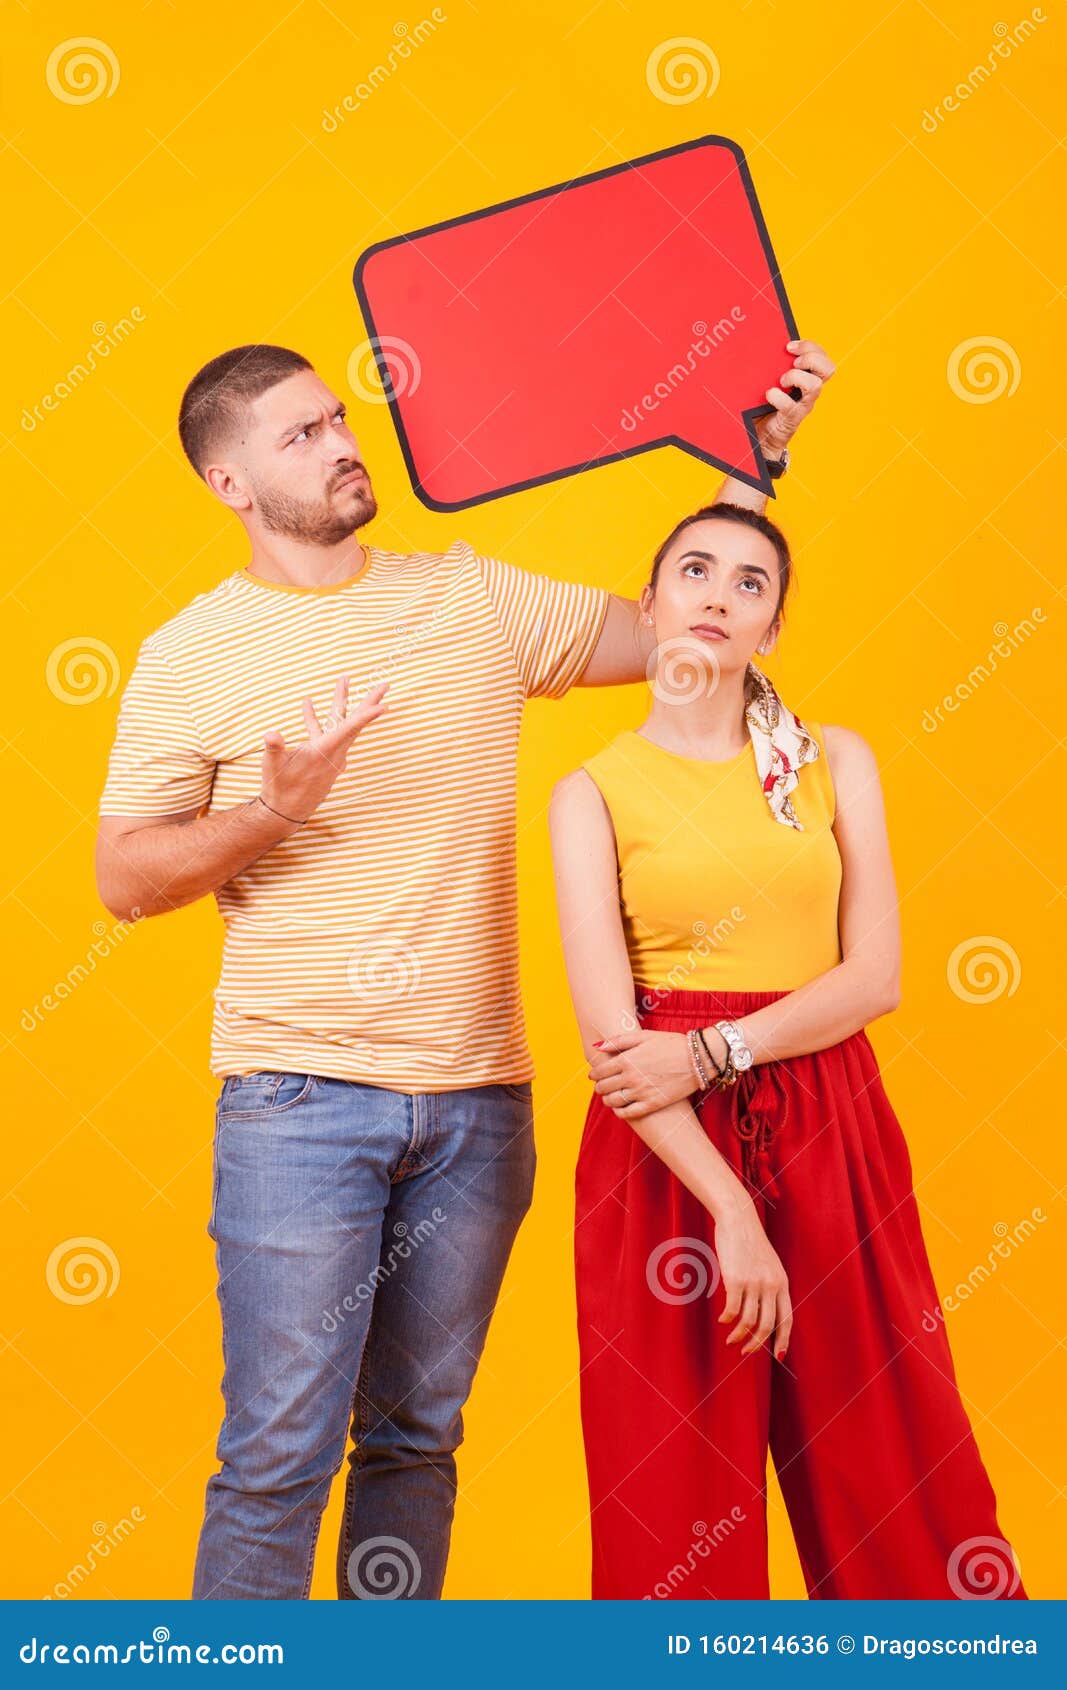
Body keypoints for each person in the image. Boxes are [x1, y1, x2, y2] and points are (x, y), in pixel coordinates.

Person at [93, 339, 833, 1599]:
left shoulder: (472, 600)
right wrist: (272, 810)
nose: (341, 443)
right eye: (299, 435)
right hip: (297, 1104)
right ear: (229, 483)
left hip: (479, 1106)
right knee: (276, 1454)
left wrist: (750, 478)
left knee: (416, 1441)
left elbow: (685, 635)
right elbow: (125, 881)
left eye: (337, 418)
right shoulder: (189, 654)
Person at [549, 502, 1028, 1601]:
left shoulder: (831, 761)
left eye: (750, 582)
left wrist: (714, 1047)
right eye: (694, 571)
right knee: (668, 1490)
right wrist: (727, 1208)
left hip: (828, 1123)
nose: (718, 594)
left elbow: (872, 979)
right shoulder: (590, 793)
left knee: (890, 1445)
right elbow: (614, 1047)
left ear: (769, 629)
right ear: (649, 604)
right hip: (663, 1160)